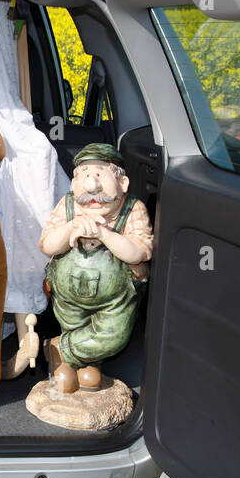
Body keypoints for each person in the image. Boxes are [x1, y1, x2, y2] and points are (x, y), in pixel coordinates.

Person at [39, 143, 153, 395]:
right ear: (73, 185)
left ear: (122, 183)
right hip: (68, 298)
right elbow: (47, 245)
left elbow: (140, 251)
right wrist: (70, 228)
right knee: (77, 331)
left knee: (112, 335)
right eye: (85, 176)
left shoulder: (133, 209)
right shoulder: (68, 205)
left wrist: (104, 234)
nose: (92, 186)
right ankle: (85, 365)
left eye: (100, 175)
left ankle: (59, 351)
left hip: (115, 302)